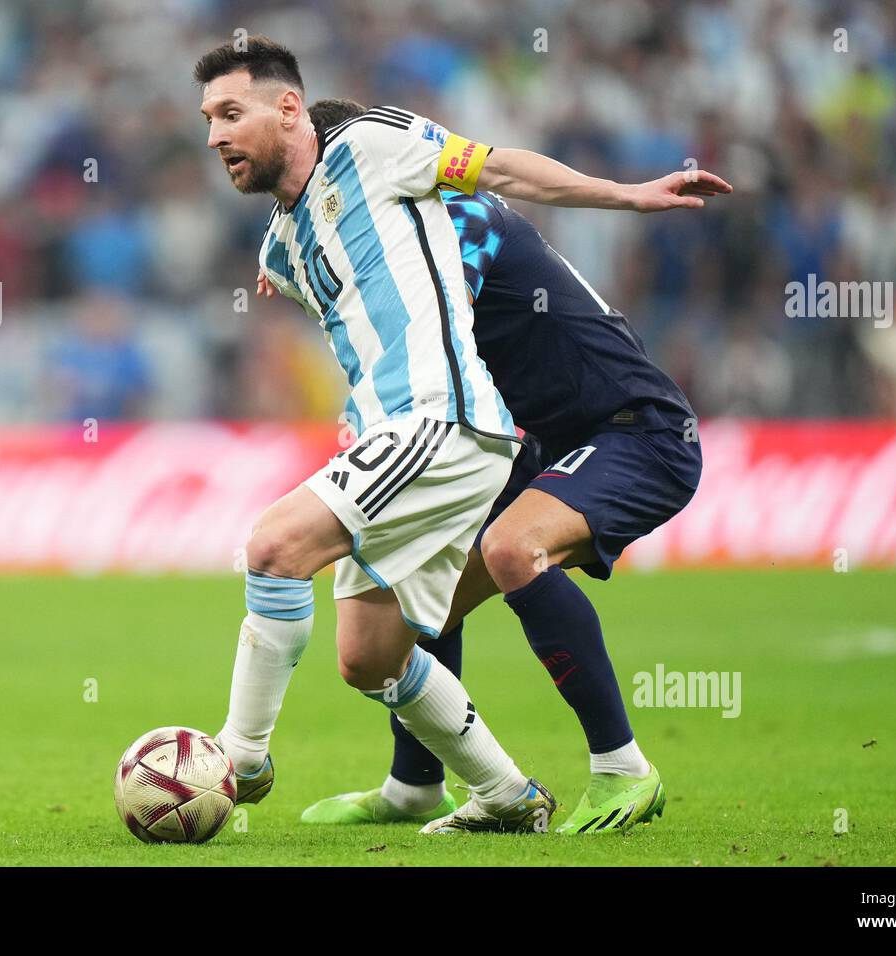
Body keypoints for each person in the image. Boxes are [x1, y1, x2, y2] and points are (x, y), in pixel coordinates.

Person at [197, 35, 730, 834]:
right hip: (530, 438)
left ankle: (622, 769)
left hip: (629, 426)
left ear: (295, 114)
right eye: (207, 120)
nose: (215, 137)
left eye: (230, 114)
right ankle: (431, 789)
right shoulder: (300, 232)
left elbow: (500, 172)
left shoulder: (435, 202)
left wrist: (628, 196)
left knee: (509, 551)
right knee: (405, 629)